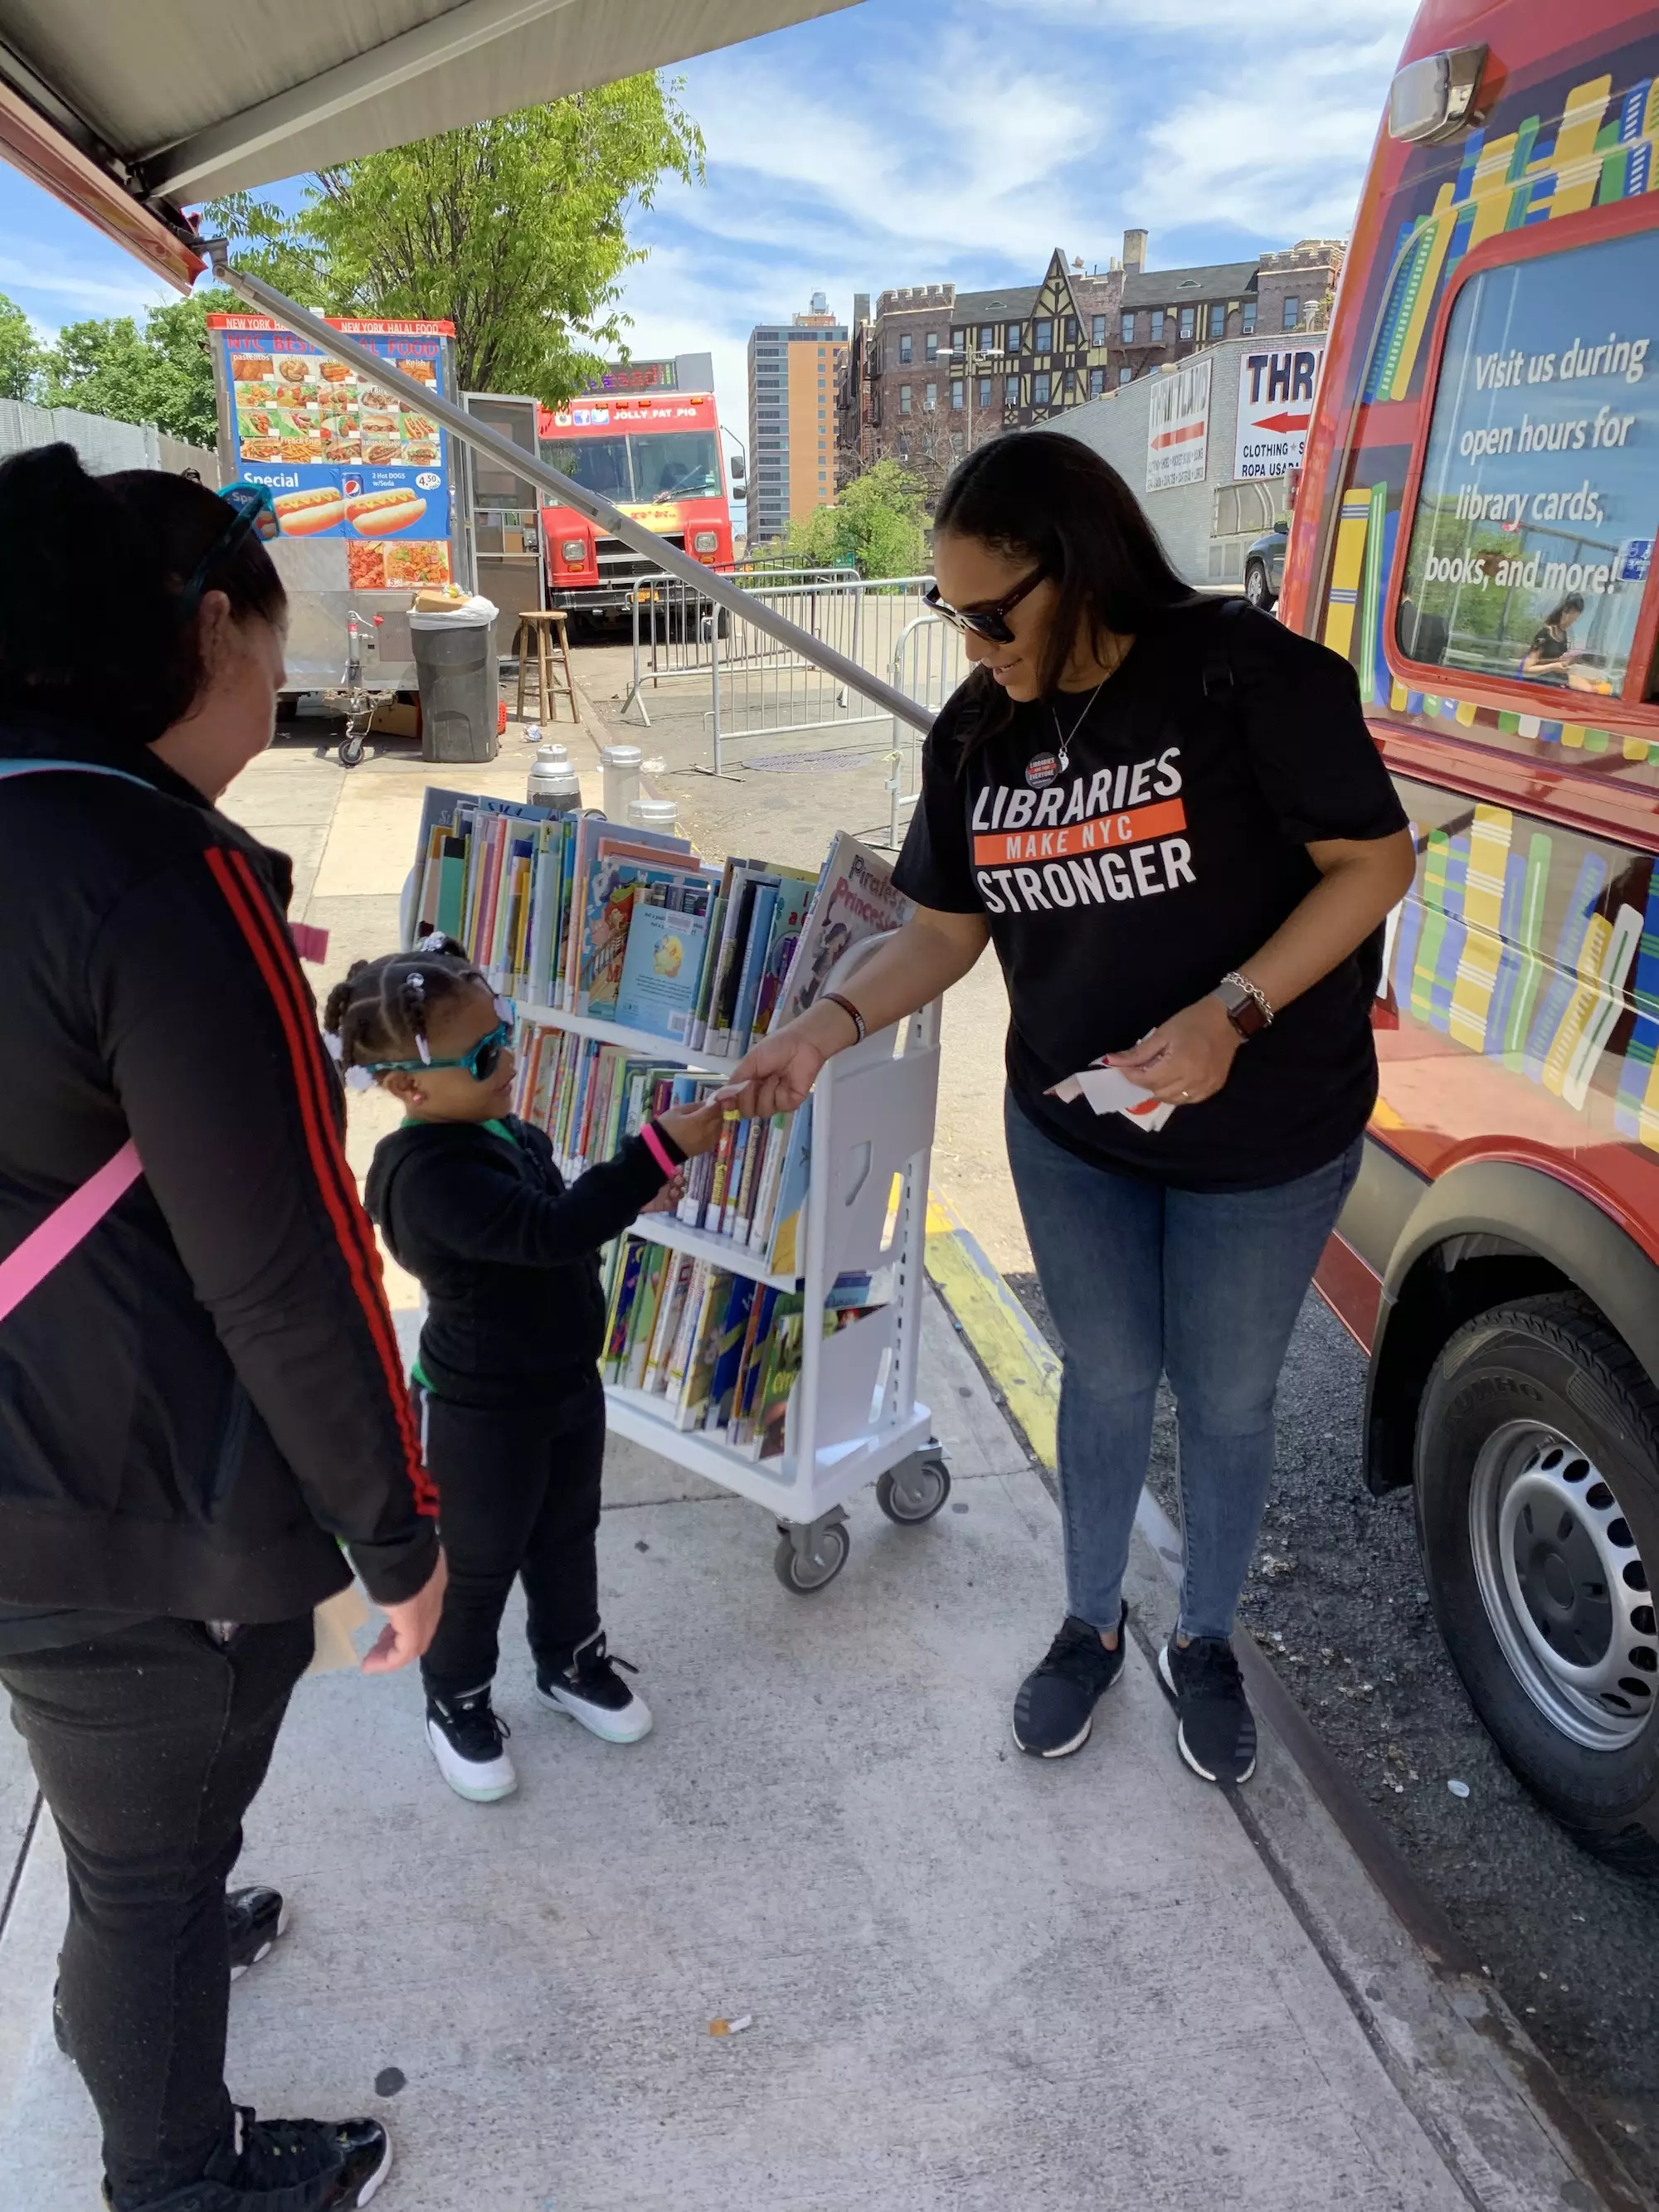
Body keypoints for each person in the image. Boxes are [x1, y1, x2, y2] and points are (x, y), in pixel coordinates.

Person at [729, 432, 1414, 1787]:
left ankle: (1204, 1638)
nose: (974, 644)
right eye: (952, 613)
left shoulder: (1246, 677)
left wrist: (1232, 1013)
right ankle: (1089, 1622)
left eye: (992, 614)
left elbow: (1374, 863)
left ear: (1083, 566)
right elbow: (939, 935)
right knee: (1103, 1378)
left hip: (1265, 1133)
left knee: (1225, 1398)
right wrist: (824, 1020)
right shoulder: (978, 734)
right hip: (1075, 1131)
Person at [0, 446, 446, 2212]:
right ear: (209, 627)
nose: (291, 662)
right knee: (146, 1861)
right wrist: (396, 1530)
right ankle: (175, 2169)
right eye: (281, 624)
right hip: (123, 1497)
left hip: (38, 1470)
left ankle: (131, 1967)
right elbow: (291, 1256)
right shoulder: (155, 872)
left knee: (141, 1845)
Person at [334, 941, 726, 1803]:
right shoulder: (424, 1179)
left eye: (502, 1035)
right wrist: (653, 1153)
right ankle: (456, 1700)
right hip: (477, 1412)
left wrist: (617, 1193)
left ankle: (570, 1660)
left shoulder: (503, 1131)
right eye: (482, 1058)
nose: (507, 1061)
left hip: (560, 1387)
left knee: (565, 1533)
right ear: (407, 1087)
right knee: (475, 1564)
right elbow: (543, 1234)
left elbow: (549, 1218)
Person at [1522, 592, 1586, 684]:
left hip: (1557, 679)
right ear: (1564, 612)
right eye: (1572, 618)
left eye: (1575, 619)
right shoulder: (1545, 634)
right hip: (1542, 683)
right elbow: (1527, 669)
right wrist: (1553, 667)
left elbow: (1551, 660)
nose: (1571, 623)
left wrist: (1570, 661)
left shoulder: (1563, 635)